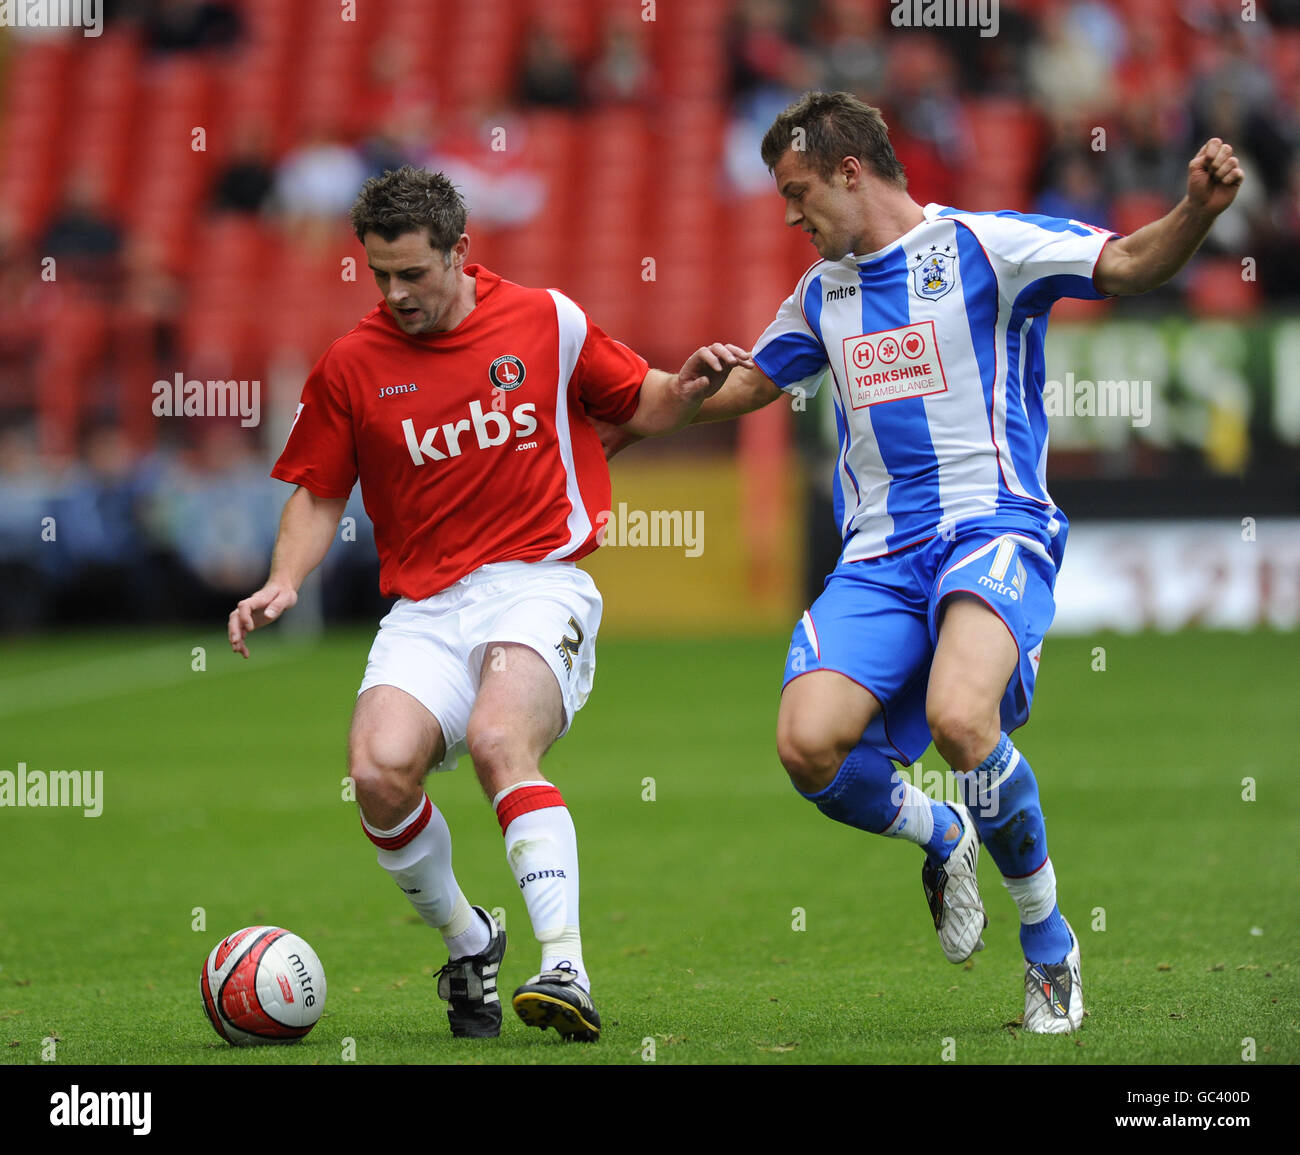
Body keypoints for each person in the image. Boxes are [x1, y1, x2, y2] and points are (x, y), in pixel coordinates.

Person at [612, 91, 1243, 1033]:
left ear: (850, 170)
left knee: (959, 716)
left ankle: (1048, 943)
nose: (790, 215)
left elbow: (1127, 263)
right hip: (878, 557)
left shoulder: (988, 247)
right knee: (808, 744)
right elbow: (750, 381)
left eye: (797, 191)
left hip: (994, 527)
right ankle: (940, 828)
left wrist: (1195, 209)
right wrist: (642, 410)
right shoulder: (821, 293)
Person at [228, 165, 748, 1042]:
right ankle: (471, 940)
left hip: (537, 580)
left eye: (413, 273)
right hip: (426, 609)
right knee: (377, 772)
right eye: (378, 274)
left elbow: (642, 400)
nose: (395, 293)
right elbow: (319, 491)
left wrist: (687, 382)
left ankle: (566, 965)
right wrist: (286, 578)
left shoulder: (547, 320)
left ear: (461, 253)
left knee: (503, 740)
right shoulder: (352, 364)